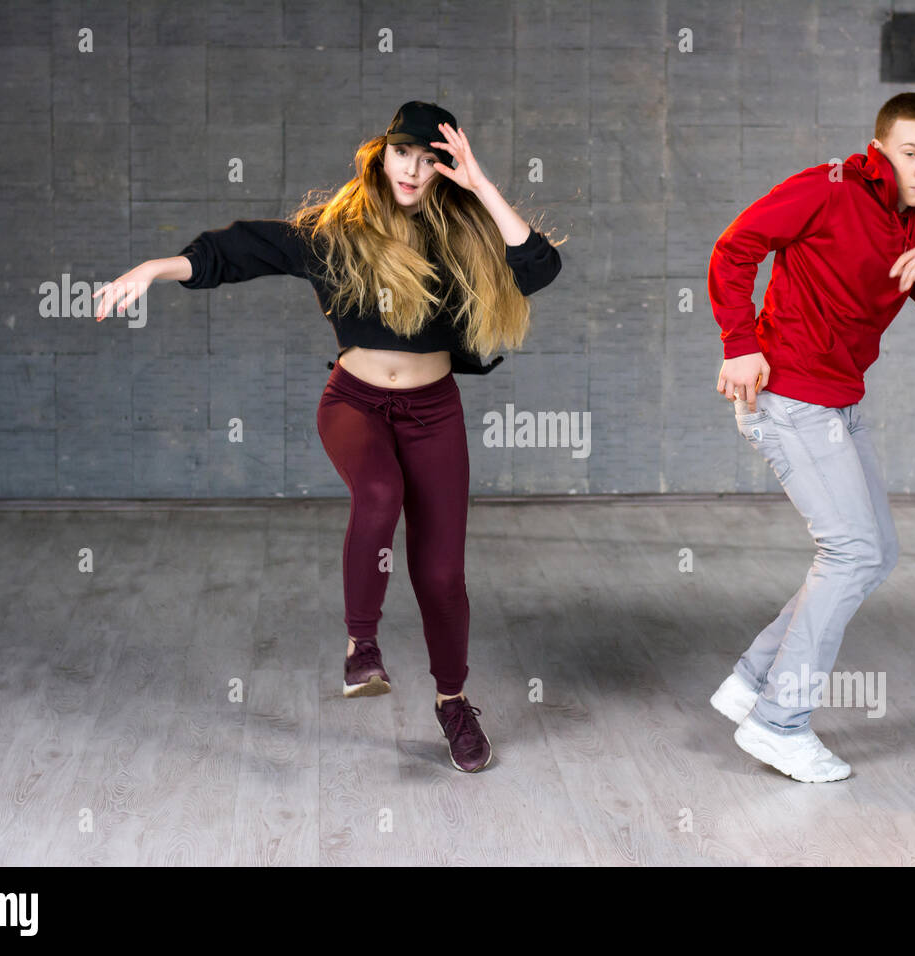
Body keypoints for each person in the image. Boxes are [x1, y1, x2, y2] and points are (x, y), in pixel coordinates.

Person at [92, 101, 562, 772]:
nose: (415, 170)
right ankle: (361, 645)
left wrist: (481, 186)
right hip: (355, 404)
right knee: (378, 492)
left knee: (442, 574)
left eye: (433, 161)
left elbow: (539, 268)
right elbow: (238, 250)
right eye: (406, 154)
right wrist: (152, 268)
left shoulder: (463, 238)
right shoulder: (337, 235)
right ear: (383, 153)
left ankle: (453, 701)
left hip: (434, 412)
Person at [705, 92, 915, 783]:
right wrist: (740, 342)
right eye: (911, 152)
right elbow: (735, 247)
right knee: (852, 551)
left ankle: (751, 681)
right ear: (881, 148)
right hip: (789, 395)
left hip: (838, 404)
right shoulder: (830, 188)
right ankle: (779, 723)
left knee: (875, 551)